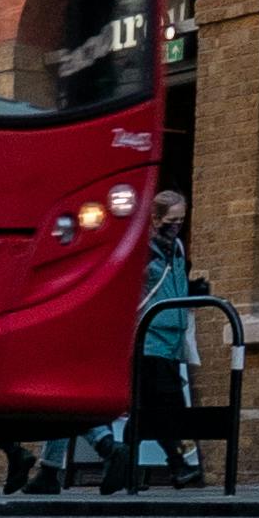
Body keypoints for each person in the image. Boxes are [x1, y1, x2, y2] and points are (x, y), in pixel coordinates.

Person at [106, 186, 200, 488]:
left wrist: (194, 291)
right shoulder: (144, 251)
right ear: (155, 219)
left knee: (144, 408)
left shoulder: (178, 249)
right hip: (146, 339)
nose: (176, 226)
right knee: (164, 405)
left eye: (181, 220)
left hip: (171, 340)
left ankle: (121, 468)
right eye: (170, 220)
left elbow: (175, 284)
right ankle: (177, 464)